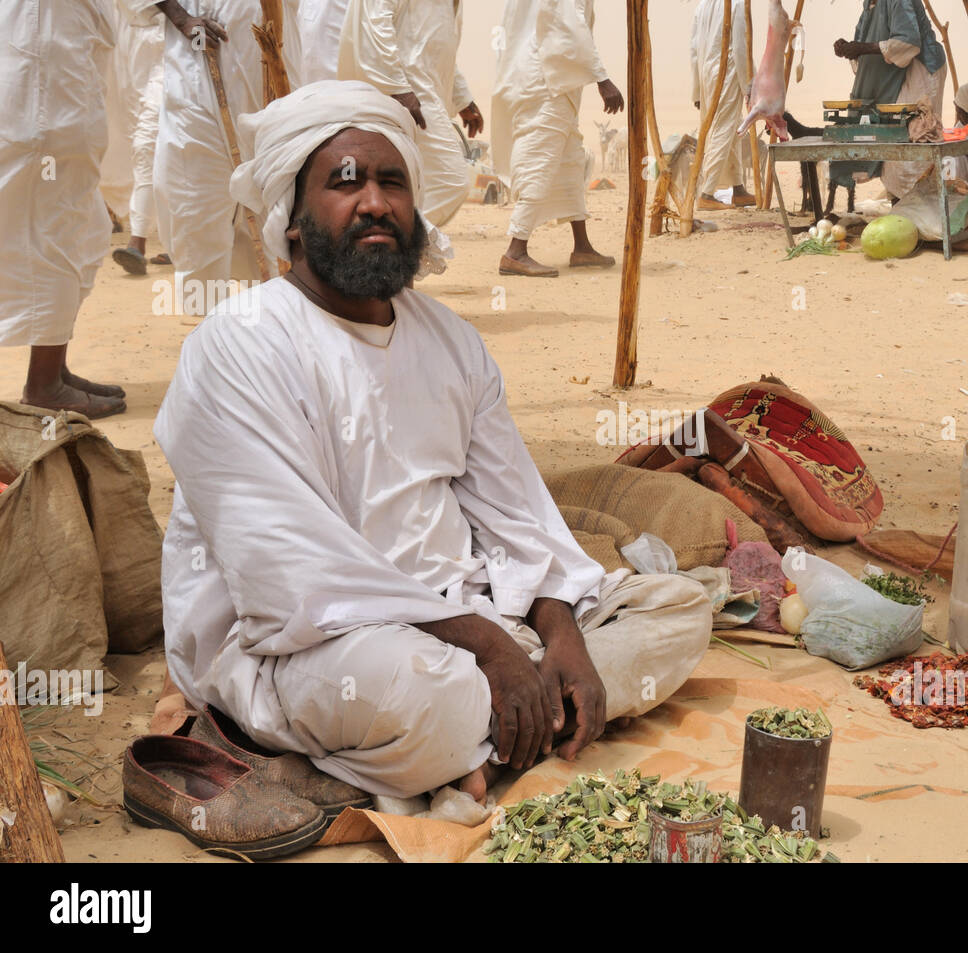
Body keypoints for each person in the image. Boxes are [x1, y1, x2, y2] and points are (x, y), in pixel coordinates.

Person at [154, 80, 713, 799]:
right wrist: (485, 646)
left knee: (677, 607)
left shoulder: (451, 341)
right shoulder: (237, 347)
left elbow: (513, 511)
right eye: (345, 183)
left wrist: (559, 630)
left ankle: (492, 735)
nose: (376, 201)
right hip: (309, 645)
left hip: (471, 616)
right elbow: (290, 574)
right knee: (428, 695)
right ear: (293, 220)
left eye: (394, 181)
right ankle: (487, 729)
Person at [0, 0, 127, 418]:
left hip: (58, 98)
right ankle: (44, 386)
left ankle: (55, 367)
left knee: (77, 231)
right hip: (47, 111)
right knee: (52, 238)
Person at [491, 0, 624, 278]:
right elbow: (570, 25)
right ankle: (515, 251)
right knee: (540, 159)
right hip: (546, 83)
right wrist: (602, 79)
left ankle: (582, 247)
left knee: (570, 161)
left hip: (555, 80)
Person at [153, 1, 271, 312]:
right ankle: (206, 333)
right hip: (195, 80)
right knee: (197, 209)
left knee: (270, 213)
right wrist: (181, 18)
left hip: (266, 77)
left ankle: (266, 335)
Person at [339, 0, 482, 229]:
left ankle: (391, 253)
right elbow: (375, 22)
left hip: (424, 89)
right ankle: (393, 246)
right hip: (408, 90)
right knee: (450, 181)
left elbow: (434, 44)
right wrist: (398, 87)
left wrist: (462, 97)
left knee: (414, 185)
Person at [831, 0, 948, 203]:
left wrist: (863, 47)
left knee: (916, 135)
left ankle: (920, 204)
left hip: (922, 69)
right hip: (900, 72)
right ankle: (902, 203)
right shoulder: (869, 4)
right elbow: (865, 41)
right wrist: (849, 48)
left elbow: (908, 43)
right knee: (895, 136)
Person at [110, 0, 169, 276]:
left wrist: (180, 19)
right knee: (146, 142)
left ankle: (138, 241)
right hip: (129, 44)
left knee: (147, 142)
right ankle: (176, 242)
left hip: (173, 42)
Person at [691, 0, 757, 211]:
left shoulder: (702, 6)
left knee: (733, 129)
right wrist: (750, 84)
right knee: (723, 129)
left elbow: (694, 50)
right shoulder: (736, 4)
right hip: (726, 72)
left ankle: (738, 189)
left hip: (705, 73)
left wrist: (697, 89)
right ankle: (707, 193)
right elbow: (740, 47)